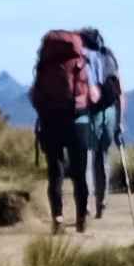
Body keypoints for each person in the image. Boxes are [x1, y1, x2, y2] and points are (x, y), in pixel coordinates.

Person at [30, 26, 100, 231]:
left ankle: (58, 218)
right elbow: (93, 95)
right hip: (78, 120)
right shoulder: (82, 61)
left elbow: (35, 95)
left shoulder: (44, 64)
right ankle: (80, 218)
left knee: (55, 171)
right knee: (79, 172)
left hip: (51, 120)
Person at [79, 26, 126, 210]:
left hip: (88, 112)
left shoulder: (81, 58)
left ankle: (86, 204)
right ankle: (102, 199)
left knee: (88, 158)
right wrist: (120, 122)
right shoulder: (108, 57)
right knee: (102, 157)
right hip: (110, 112)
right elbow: (119, 91)